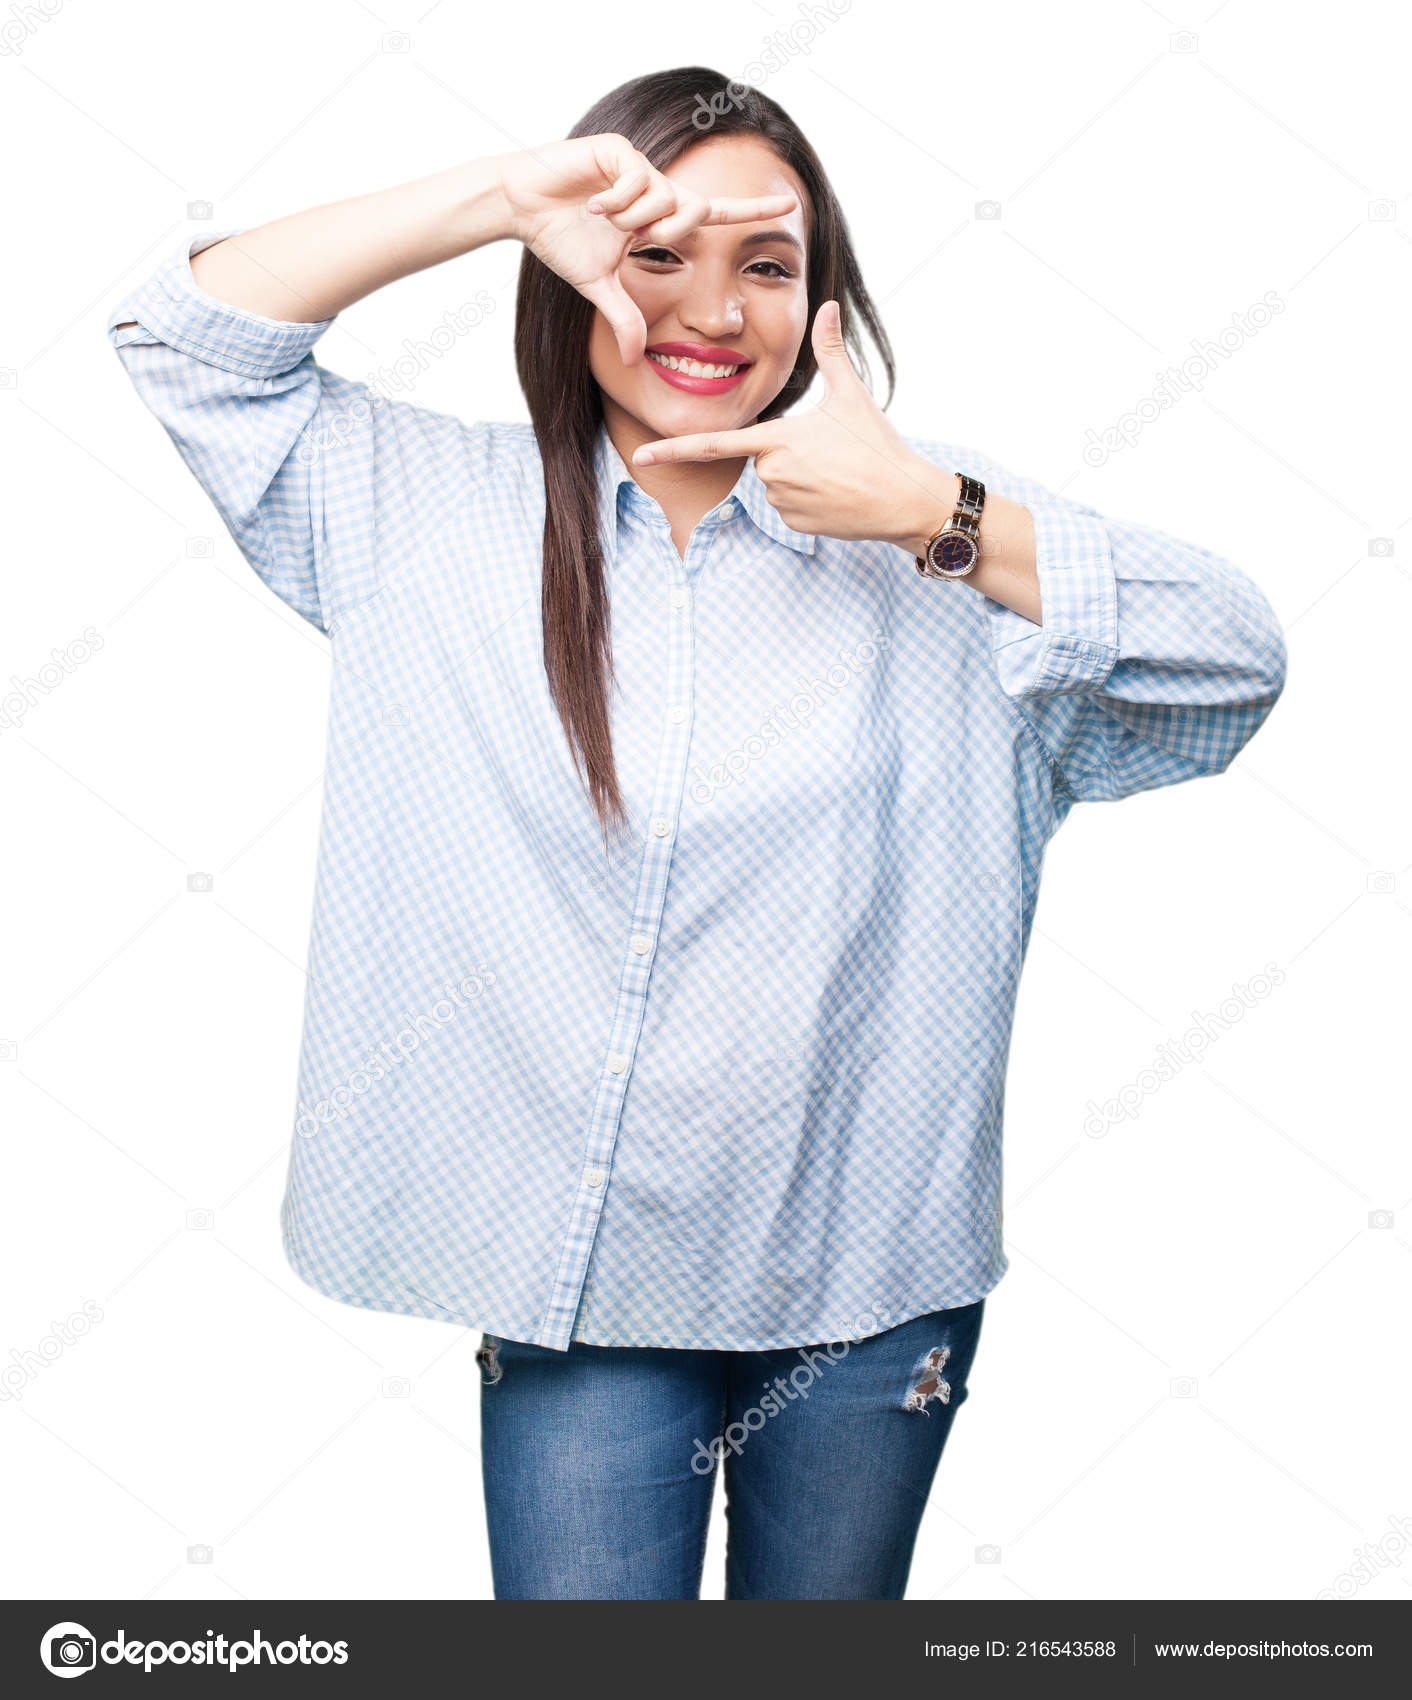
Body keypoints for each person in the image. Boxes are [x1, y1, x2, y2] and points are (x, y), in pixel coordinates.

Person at [105, 66, 1287, 1599]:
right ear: (574, 281)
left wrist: (936, 508)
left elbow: (1235, 664)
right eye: (657, 254)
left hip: (873, 1285)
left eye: (768, 266)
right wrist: (502, 199)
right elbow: (179, 336)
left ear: (826, 307)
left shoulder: (947, 557)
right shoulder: (418, 511)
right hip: (581, 1292)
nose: (713, 312)